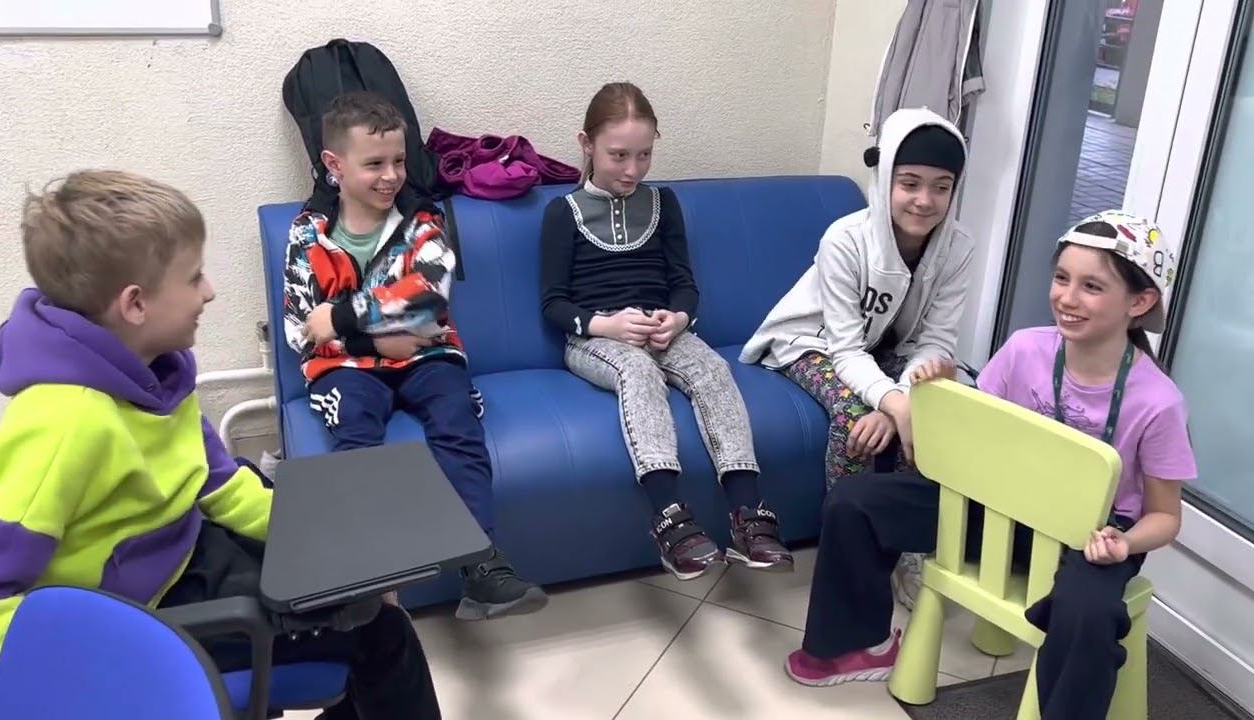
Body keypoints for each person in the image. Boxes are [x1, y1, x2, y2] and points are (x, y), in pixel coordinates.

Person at [0, 170, 442, 718]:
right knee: (383, 636)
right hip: (139, 621)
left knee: (369, 593)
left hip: (188, 555)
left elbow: (219, 482)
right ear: (135, 304)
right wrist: (83, 683)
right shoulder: (63, 421)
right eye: (193, 278)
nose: (209, 291)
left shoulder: (152, 370)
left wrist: (331, 539)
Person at [786, 211, 1195, 720]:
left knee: (1088, 614)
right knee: (856, 502)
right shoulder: (1025, 349)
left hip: (1091, 541)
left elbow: (1165, 517)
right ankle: (851, 646)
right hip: (997, 509)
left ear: (1140, 302)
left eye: (1092, 287)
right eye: (1062, 278)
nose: (1067, 298)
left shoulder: (1158, 401)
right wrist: (941, 392)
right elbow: (970, 440)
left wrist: (1124, 545)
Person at [284, 91, 546, 620]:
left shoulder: (423, 221)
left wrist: (341, 316)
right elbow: (300, 330)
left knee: (457, 421)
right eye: (374, 164)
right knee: (356, 435)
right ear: (334, 164)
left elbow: (427, 296)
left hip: (427, 355)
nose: (391, 176)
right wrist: (375, 341)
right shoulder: (307, 233)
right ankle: (371, 580)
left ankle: (481, 565)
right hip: (347, 367)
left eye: (399, 161)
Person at [539, 82, 793, 581]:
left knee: (713, 369)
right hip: (595, 337)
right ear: (586, 144)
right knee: (638, 373)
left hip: (662, 329)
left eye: (644, 155)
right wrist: (607, 325)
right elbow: (553, 304)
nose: (632, 170)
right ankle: (670, 520)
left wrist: (677, 319)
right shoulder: (562, 213)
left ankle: (747, 514)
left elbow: (684, 285)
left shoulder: (663, 203)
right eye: (618, 156)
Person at [739, 107, 974, 606]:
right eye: (909, 183)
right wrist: (893, 401)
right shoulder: (845, 239)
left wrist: (903, 401)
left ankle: (909, 547)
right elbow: (844, 348)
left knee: (944, 405)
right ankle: (847, 555)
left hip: (888, 352)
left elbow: (936, 341)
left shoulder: (959, 249)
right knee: (853, 417)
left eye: (941, 187)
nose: (924, 199)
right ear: (886, 178)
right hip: (812, 343)